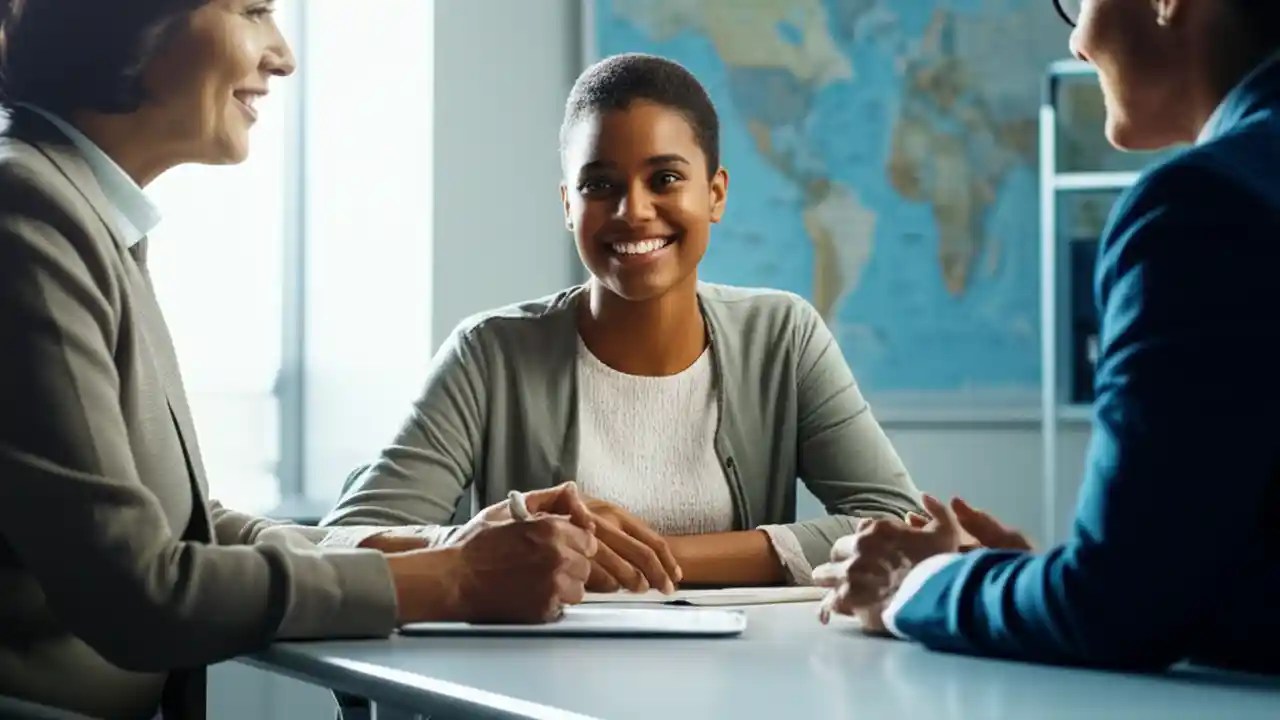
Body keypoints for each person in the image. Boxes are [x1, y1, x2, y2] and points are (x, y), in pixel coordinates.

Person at [0, 2, 597, 718]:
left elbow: (181, 524)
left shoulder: (82, 213)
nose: (282, 55)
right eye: (253, 11)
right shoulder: (29, 217)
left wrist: (434, 547)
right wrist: (457, 580)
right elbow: (133, 589)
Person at [324, 53, 924, 594]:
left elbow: (899, 524)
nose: (632, 210)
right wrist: (496, 550)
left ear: (715, 194)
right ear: (568, 205)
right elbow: (344, 543)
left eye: (664, 179)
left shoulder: (783, 337)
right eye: (600, 185)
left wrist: (646, 559)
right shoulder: (489, 354)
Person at [815, 0, 1280, 673]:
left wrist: (913, 586)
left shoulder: (1202, 206)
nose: (1080, 43)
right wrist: (1027, 580)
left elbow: (1118, 610)